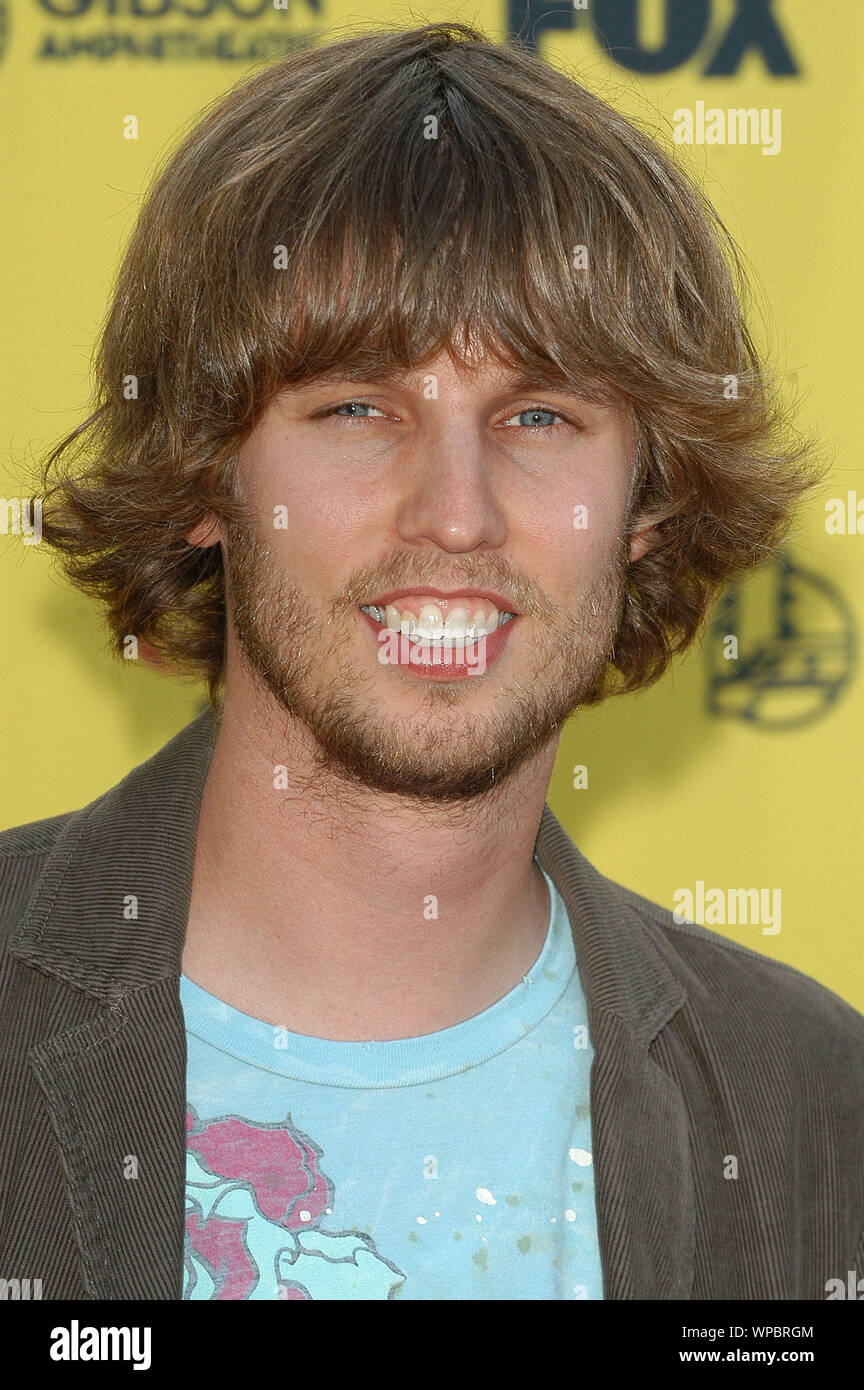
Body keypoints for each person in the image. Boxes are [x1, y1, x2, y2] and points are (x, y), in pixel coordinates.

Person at [1, 22, 861, 1302]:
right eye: (359, 407)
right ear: (203, 476)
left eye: (538, 415)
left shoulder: (813, 1102)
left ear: (644, 510)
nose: (455, 512)